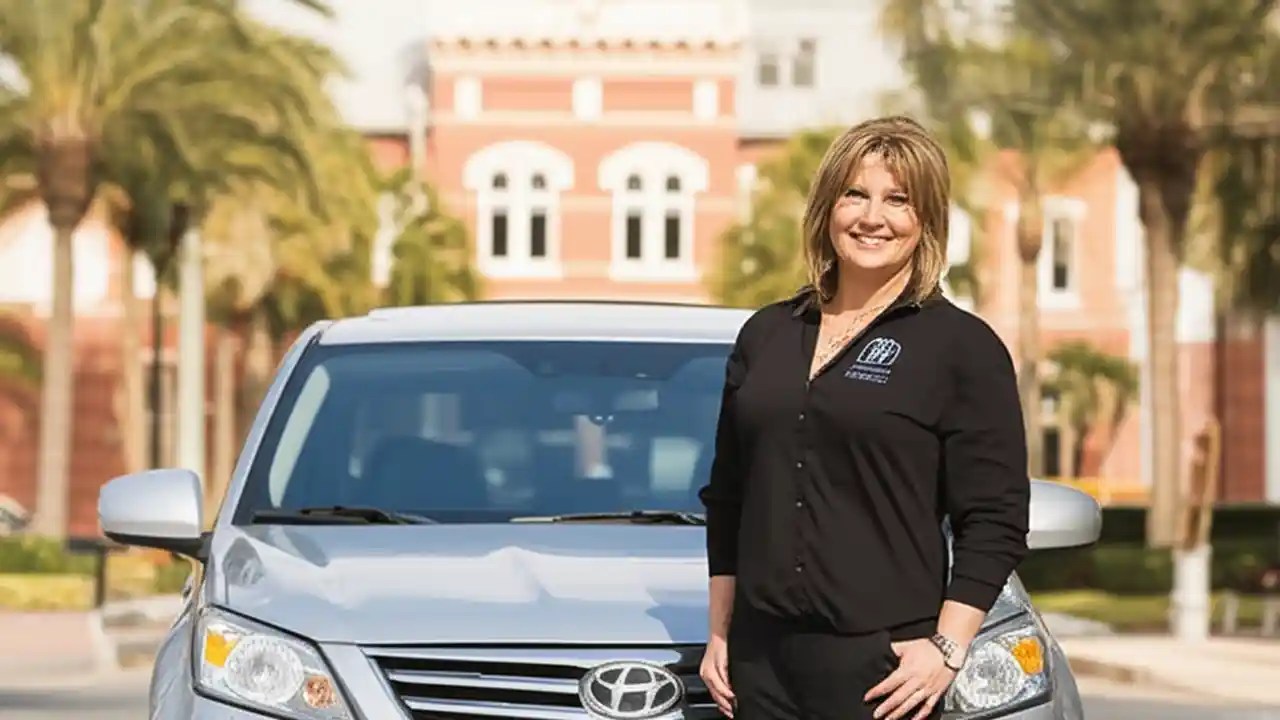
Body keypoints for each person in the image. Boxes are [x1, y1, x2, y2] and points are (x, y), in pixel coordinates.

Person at [697, 115, 1030, 720]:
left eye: (898, 200)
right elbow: (728, 496)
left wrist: (946, 650)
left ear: (926, 219)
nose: (872, 217)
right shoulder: (766, 334)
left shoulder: (961, 348)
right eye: (856, 194)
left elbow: (995, 519)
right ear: (828, 207)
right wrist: (721, 632)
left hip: (884, 673)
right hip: (759, 666)